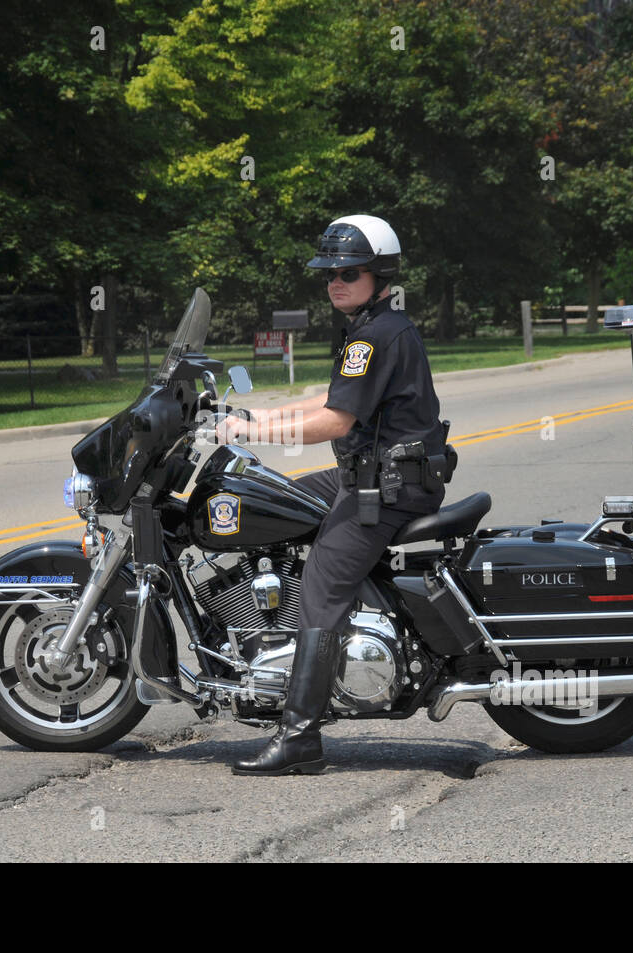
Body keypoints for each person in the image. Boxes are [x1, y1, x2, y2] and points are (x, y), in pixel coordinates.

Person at [219, 214, 452, 776]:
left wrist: (251, 431)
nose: (334, 282)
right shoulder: (372, 326)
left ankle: (299, 737)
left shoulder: (373, 336)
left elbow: (336, 422)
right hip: (373, 477)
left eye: (348, 272)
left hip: (389, 488)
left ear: (379, 273)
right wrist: (249, 414)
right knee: (280, 504)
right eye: (328, 273)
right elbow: (326, 404)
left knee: (320, 586)